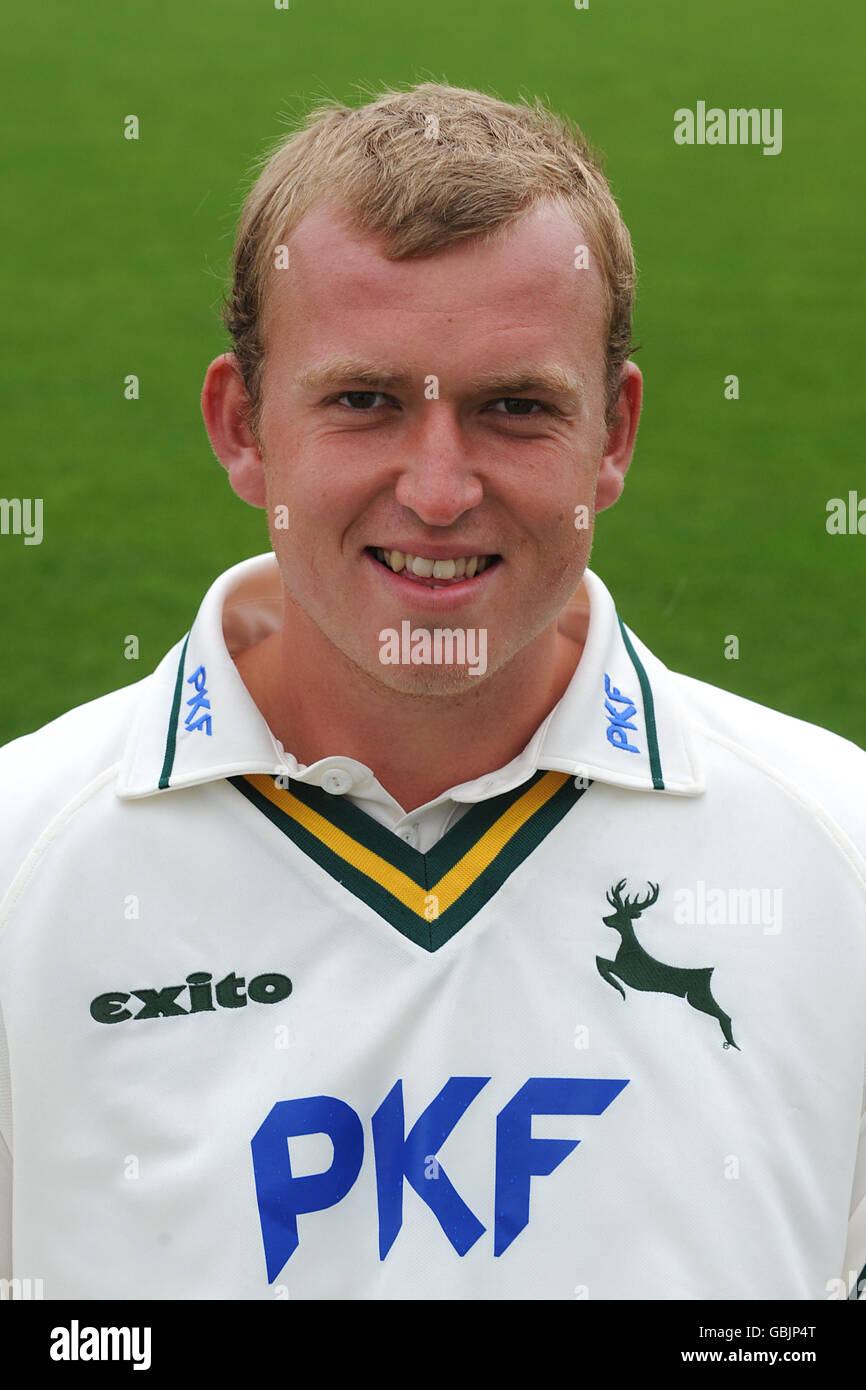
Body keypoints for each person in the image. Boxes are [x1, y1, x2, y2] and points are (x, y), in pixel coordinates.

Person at [0, 82, 864, 1302]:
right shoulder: (21, 867)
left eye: (515, 408)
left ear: (611, 436)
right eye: (364, 402)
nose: (443, 489)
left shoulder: (840, 863)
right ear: (241, 425)